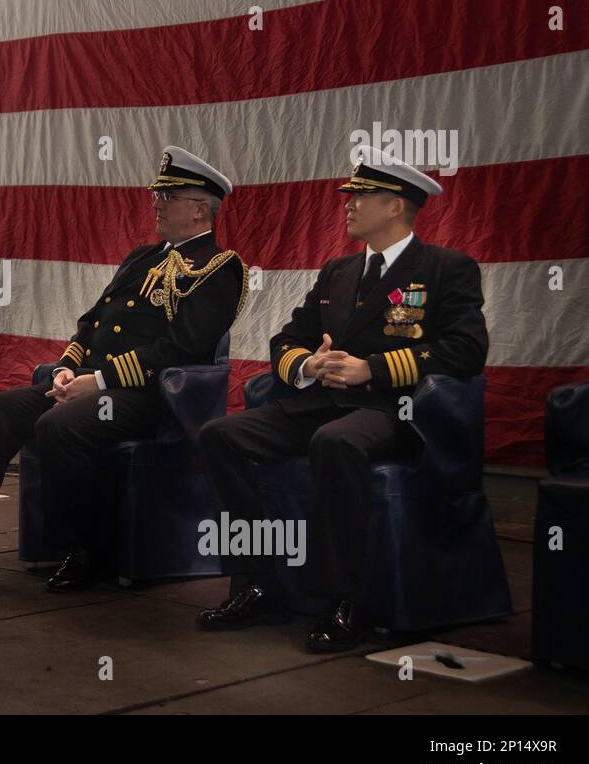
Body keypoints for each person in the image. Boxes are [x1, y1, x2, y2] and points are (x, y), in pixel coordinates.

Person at [0, 147, 247, 590]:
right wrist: (66, 369)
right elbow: (91, 323)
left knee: (59, 426)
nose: (156, 204)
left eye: (167, 198)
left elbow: (181, 350)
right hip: (85, 384)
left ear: (198, 209)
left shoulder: (218, 269)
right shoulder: (141, 257)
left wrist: (97, 381)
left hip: (149, 397)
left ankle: (90, 549)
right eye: (158, 196)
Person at [196, 146, 487, 651]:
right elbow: (287, 340)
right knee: (222, 435)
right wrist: (310, 365)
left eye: (360, 196)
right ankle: (255, 581)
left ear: (395, 205)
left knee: (335, 442)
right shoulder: (338, 271)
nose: (347, 205)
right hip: (321, 404)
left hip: (393, 411)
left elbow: (466, 349)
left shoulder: (445, 268)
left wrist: (369, 370)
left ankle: (340, 599)